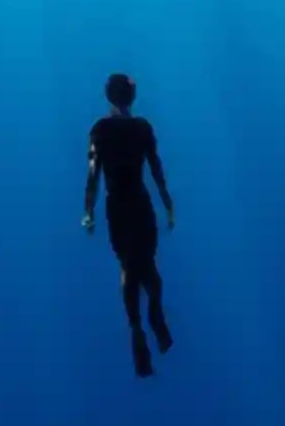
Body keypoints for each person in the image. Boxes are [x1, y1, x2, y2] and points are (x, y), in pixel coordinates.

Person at [82, 73, 175, 377]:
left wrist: (88, 212)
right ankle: (155, 315)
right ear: (132, 96)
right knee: (148, 267)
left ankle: (136, 327)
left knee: (128, 265)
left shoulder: (100, 129)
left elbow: (93, 173)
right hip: (140, 201)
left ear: (109, 97)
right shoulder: (142, 128)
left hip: (116, 205)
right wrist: (167, 203)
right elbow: (156, 168)